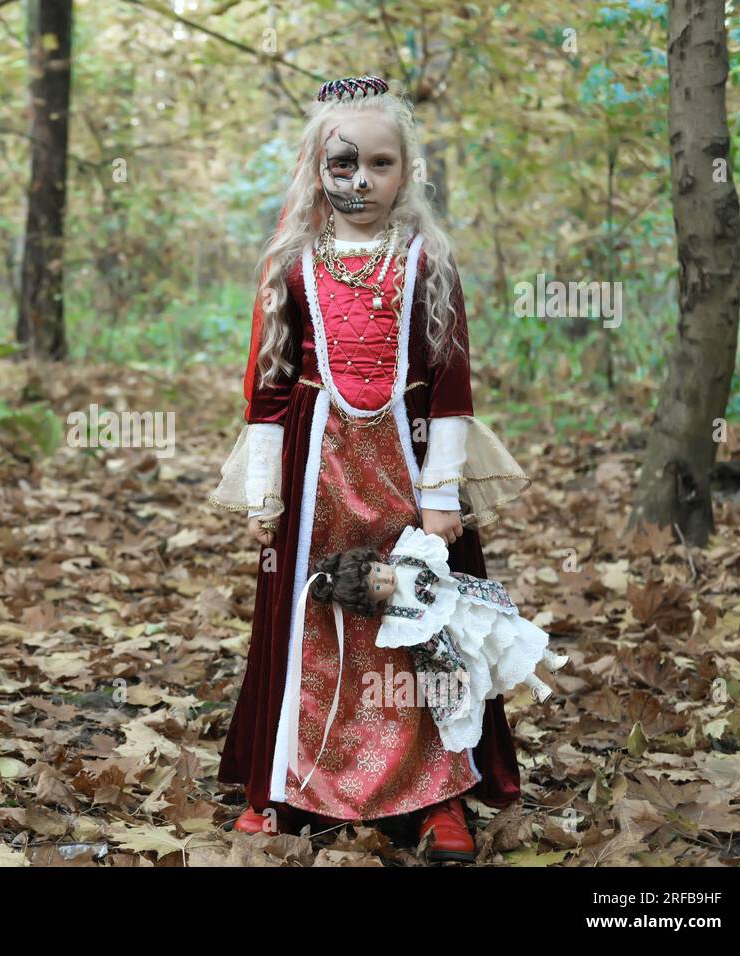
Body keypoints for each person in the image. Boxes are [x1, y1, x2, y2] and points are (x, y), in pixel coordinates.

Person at [206, 74, 532, 862]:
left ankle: (440, 792)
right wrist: (266, 492)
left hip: (406, 475)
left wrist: (442, 492)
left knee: (422, 618)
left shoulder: (429, 264)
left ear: (405, 170)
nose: (360, 180)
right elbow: (270, 392)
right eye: (342, 164)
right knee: (309, 624)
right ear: (317, 169)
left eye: (379, 164)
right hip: (318, 478)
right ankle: (288, 785)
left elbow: (451, 390)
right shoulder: (291, 267)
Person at [306, 525, 569, 763]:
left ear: (375, 560)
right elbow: (431, 645)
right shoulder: (397, 618)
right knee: (497, 655)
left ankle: (548, 658)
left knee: (510, 628)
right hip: (460, 634)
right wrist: (451, 663)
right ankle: (536, 686)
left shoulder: (404, 556)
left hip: (469, 604)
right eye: (376, 586)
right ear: (370, 602)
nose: (385, 579)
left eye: (377, 570)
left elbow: (434, 550)